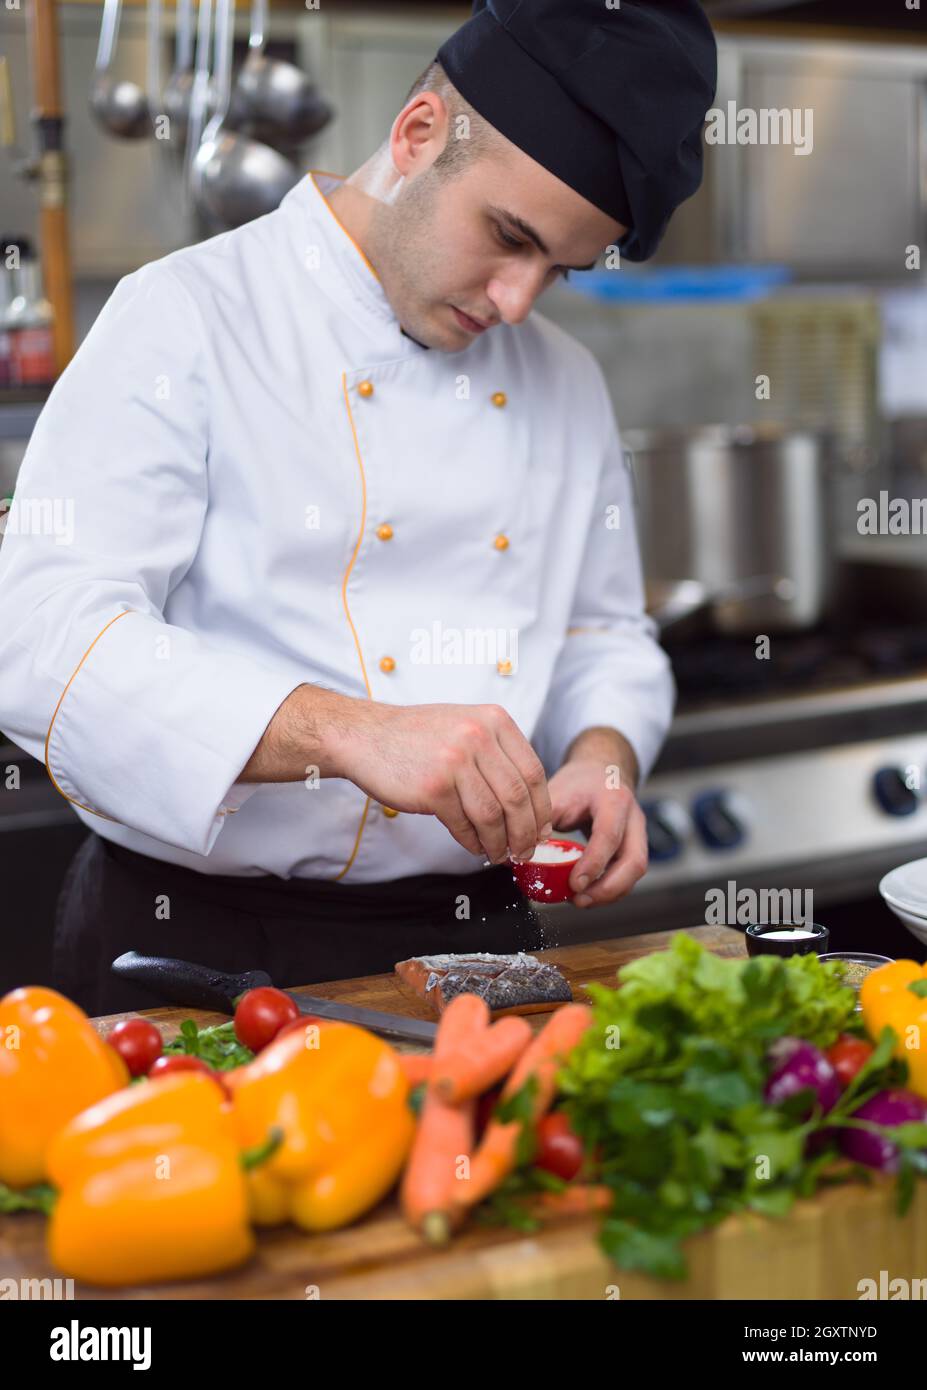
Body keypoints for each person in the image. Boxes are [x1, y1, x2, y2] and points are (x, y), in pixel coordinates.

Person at [0, 0, 717, 1014]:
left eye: (555, 268)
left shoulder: (565, 380)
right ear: (419, 133)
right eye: (507, 236)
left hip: (477, 943)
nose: (516, 301)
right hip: (199, 941)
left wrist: (603, 755)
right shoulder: (190, 317)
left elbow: (602, 630)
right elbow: (38, 635)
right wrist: (344, 732)